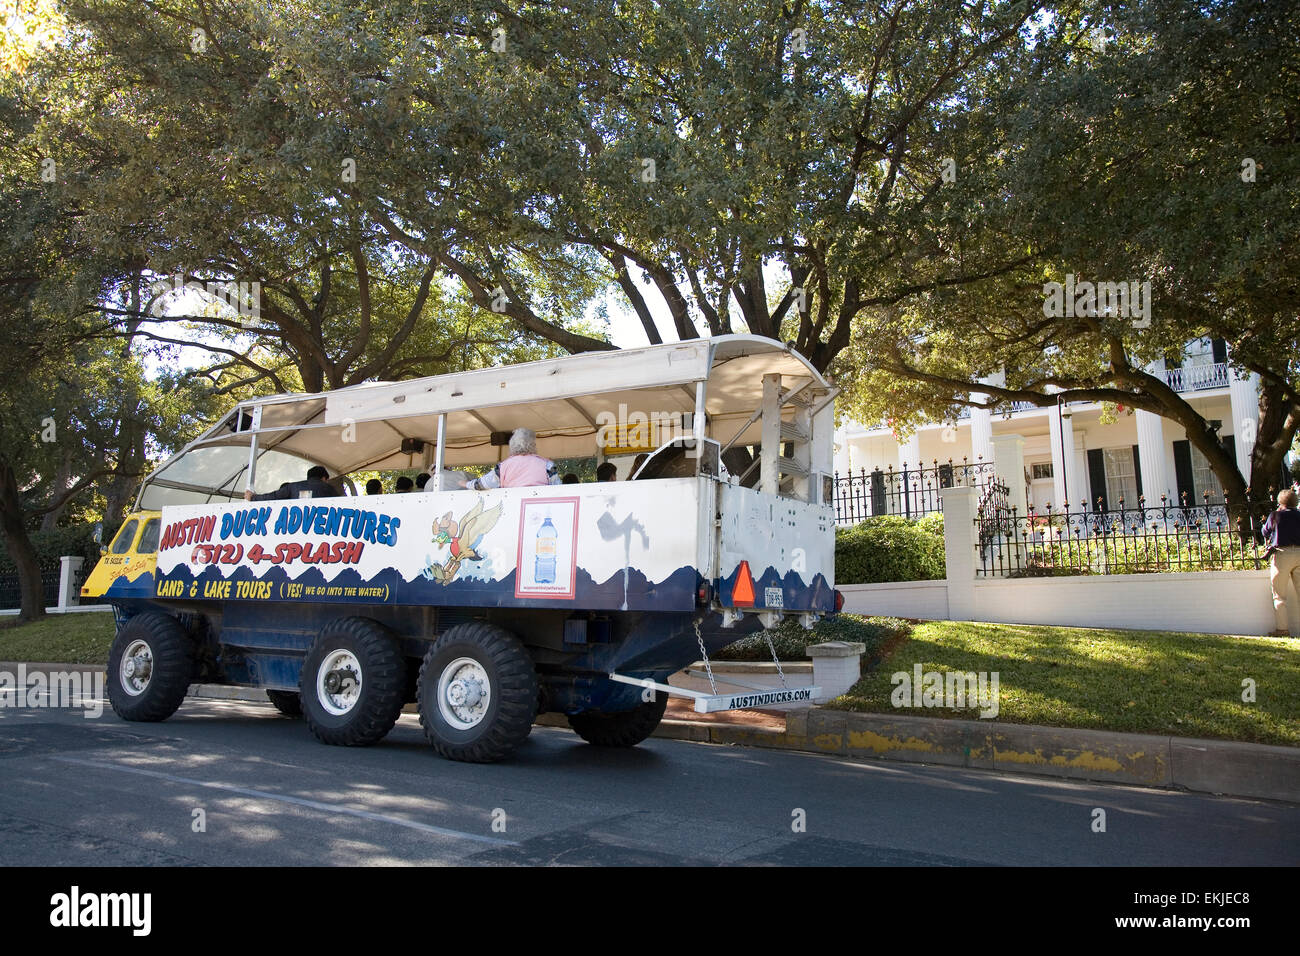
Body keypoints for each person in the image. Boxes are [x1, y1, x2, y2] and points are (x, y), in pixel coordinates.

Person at [464, 427, 561, 490]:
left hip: (512, 508)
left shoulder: (502, 467)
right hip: (539, 509)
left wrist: (465, 484)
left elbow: (482, 484)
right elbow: (558, 488)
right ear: (533, 445)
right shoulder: (547, 465)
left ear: (512, 445)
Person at [1262, 488, 1300, 636]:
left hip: (1283, 554)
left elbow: (1265, 532)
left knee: (1279, 595)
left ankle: (1282, 629)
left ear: (1280, 502)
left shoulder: (1276, 515)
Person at [245, 465, 336, 501]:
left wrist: (253, 497)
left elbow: (273, 496)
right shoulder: (331, 489)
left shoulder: (293, 486)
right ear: (324, 478)